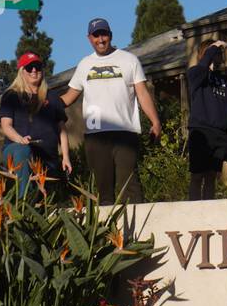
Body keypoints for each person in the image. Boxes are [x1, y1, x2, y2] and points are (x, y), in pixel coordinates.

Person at [60, 17, 160, 204]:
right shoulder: (84, 64)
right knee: (104, 192)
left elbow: (142, 94)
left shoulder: (129, 60)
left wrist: (155, 122)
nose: (100, 39)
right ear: (89, 38)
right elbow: (70, 96)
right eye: (96, 35)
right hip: (96, 135)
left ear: (111, 35)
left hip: (125, 133)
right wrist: (45, 103)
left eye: (103, 34)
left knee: (129, 185)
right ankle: (110, 233)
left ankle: (138, 231)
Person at [0, 52, 71, 195]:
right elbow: (6, 126)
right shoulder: (11, 96)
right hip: (17, 150)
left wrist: (66, 157)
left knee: (47, 196)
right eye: (29, 67)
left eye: (37, 67)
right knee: (23, 151)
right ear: (21, 71)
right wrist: (20, 140)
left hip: (47, 156)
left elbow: (62, 129)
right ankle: (24, 201)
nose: (34, 71)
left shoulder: (52, 97)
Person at [185, 39, 227, 201]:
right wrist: (214, 46)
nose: (217, 54)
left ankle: (208, 211)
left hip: (220, 134)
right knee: (197, 175)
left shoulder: (224, 80)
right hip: (201, 131)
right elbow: (202, 67)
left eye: (219, 52)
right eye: (214, 52)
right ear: (205, 54)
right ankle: (193, 210)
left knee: (211, 176)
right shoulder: (196, 74)